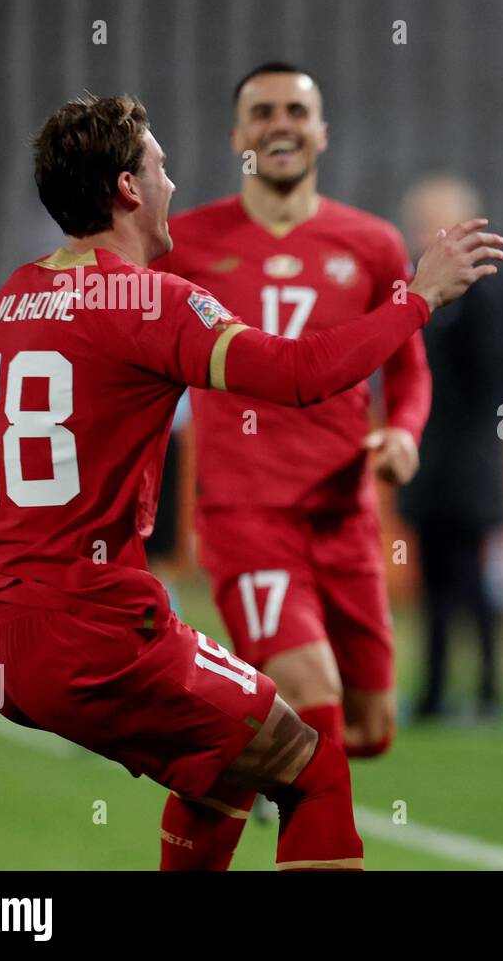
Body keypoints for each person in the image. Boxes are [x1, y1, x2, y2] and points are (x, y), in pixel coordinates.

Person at [0, 93, 503, 870]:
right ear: (129, 189)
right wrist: (417, 297)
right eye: (161, 167)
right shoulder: (151, 301)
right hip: (92, 629)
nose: (174, 183)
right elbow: (301, 374)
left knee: (228, 766)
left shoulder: (5, 302)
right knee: (315, 768)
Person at [153, 63, 429, 762]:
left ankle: (239, 760)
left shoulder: (373, 244)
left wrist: (401, 431)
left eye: (297, 112)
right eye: (265, 111)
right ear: (238, 134)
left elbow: (408, 370)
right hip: (244, 515)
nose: (281, 124)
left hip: (345, 516)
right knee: (316, 696)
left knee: (369, 729)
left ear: (322, 133)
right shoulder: (182, 246)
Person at [396, 173, 503, 721]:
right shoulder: (418, 297)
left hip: (466, 472)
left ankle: (487, 694)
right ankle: (436, 693)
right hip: (432, 468)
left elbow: (490, 380)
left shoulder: (483, 297)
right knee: (436, 586)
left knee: (471, 584)